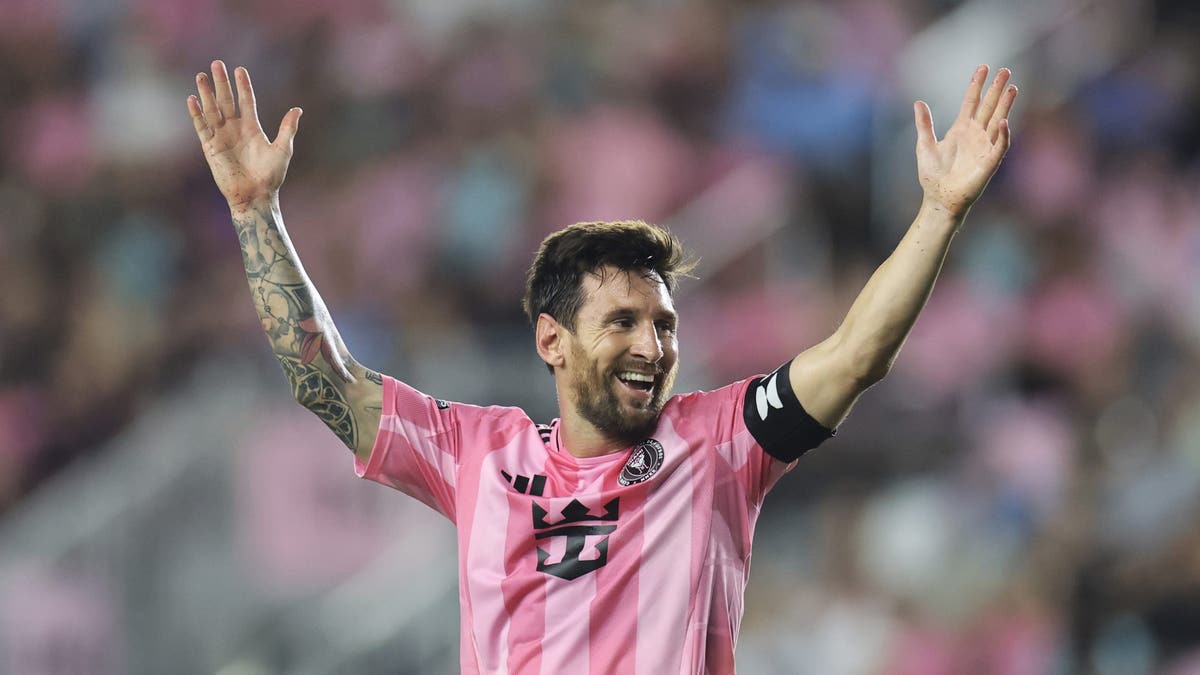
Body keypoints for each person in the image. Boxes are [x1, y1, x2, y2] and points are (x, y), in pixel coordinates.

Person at [188, 59, 1017, 674]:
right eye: (622, 321)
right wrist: (256, 212)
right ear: (552, 340)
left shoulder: (721, 443)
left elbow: (855, 354)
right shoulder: (477, 453)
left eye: (664, 323)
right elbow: (320, 377)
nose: (652, 346)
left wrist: (940, 212)